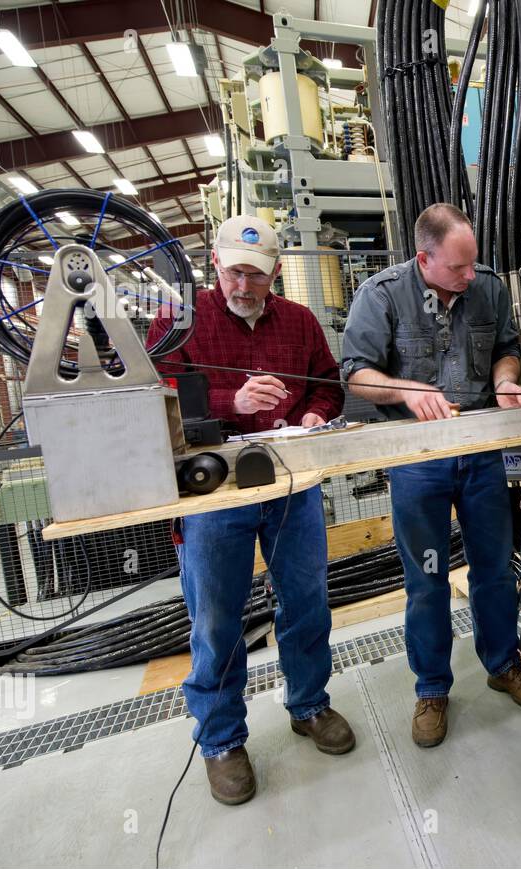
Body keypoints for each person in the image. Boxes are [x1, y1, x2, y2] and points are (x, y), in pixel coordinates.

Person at [147, 215, 354, 805]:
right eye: (235, 272)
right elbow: (157, 401)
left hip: (291, 484)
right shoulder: (179, 323)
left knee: (307, 601)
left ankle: (309, 705)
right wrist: (227, 400)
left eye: (257, 276)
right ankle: (220, 741)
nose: (245, 285)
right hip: (212, 497)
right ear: (215, 263)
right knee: (216, 618)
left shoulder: (300, 321)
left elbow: (327, 384)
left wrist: (314, 414)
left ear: (276, 273)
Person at [340, 202, 521, 748]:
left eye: (472, 264)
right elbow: (356, 375)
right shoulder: (381, 295)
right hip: (418, 463)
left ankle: (504, 665)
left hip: (480, 456)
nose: (468, 276)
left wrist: (506, 381)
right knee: (428, 580)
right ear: (423, 259)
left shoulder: (487, 286)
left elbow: (507, 349)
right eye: (456, 268)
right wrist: (405, 390)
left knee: (494, 569)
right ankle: (432, 688)